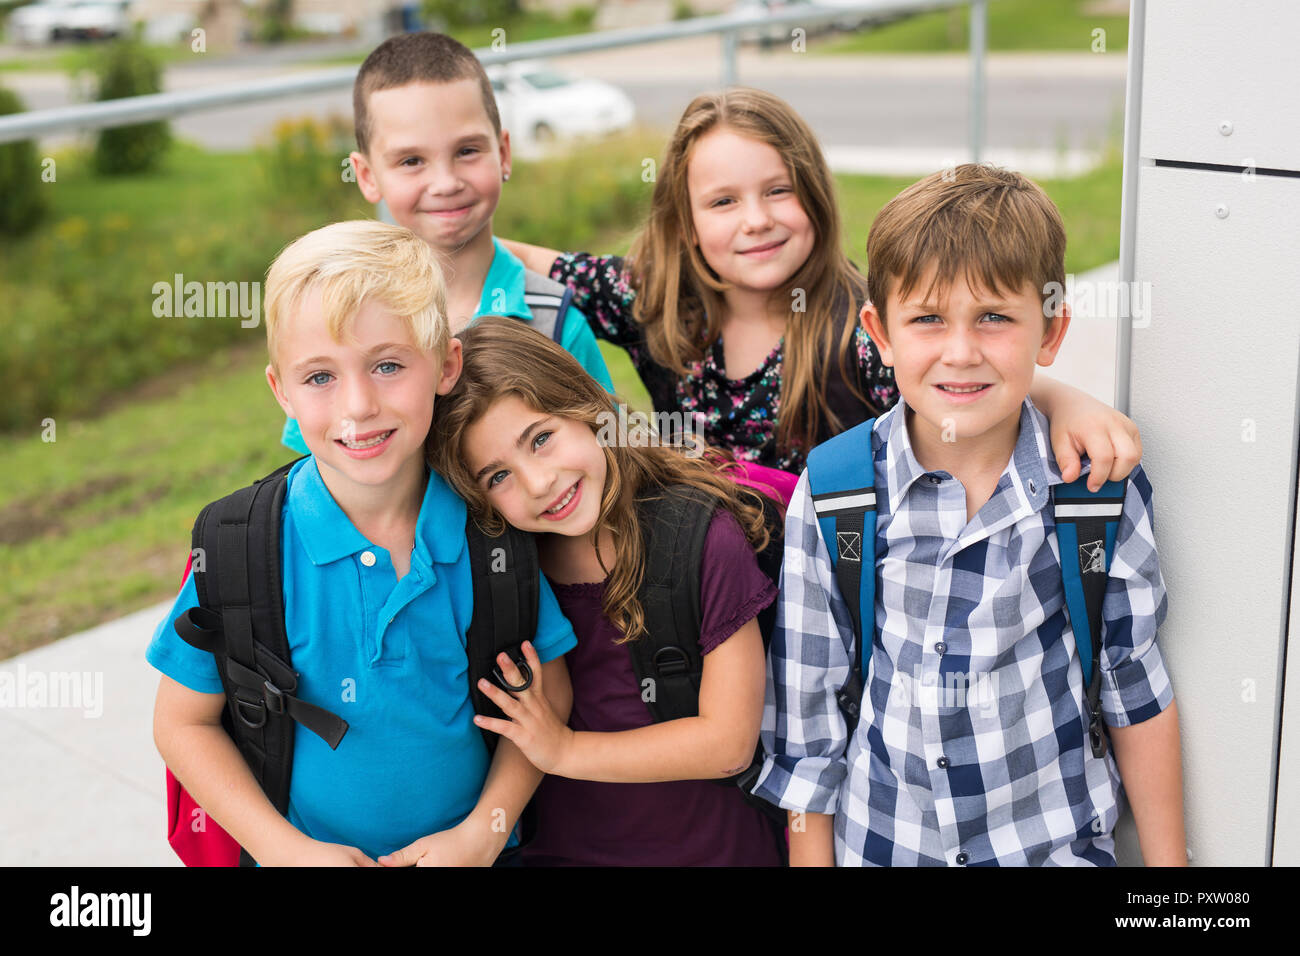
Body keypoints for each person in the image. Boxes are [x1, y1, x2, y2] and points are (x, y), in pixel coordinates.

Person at [754, 165, 1186, 866]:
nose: (960, 351)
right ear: (881, 332)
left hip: (1052, 848)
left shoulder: (1096, 495)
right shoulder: (836, 495)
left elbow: (1133, 688)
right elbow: (807, 727)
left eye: (994, 317)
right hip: (885, 846)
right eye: (927, 318)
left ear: (1050, 332)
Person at [147, 221, 577, 866]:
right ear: (281, 392)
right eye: (319, 376)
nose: (358, 405)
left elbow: (549, 693)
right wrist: (283, 849)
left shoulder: (489, 530)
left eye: (387, 365)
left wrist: (485, 830)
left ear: (446, 364)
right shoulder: (243, 548)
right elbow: (182, 722)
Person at [503, 87, 1140, 488]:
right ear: (687, 226)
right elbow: (535, 260)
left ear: (813, 194)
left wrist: (1064, 402)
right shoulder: (659, 301)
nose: (756, 220)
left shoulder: (859, 333)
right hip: (703, 601)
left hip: (830, 599)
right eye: (723, 201)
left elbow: (962, 368)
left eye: (778, 190)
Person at [428, 316, 786, 866]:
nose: (538, 482)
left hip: (714, 851)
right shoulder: (502, 573)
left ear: (587, 408)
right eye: (497, 476)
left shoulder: (703, 537)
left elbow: (728, 743)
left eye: (541, 439)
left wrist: (565, 749)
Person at [278, 31, 613, 454]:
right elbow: (318, 465)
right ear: (366, 175)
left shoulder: (555, 322)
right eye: (412, 161)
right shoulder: (338, 314)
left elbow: (611, 462)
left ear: (504, 153)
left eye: (467, 150)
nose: (445, 182)